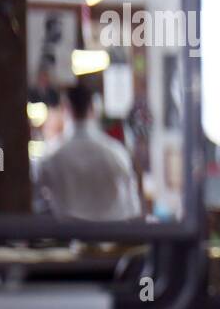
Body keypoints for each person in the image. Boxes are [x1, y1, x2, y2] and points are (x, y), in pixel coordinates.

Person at [34, 81, 141, 220]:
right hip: (112, 236)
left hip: (68, 237)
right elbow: (133, 208)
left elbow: (35, 201)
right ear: (93, 108)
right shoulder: (116, 153)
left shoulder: (50, 157)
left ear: (65, 108)